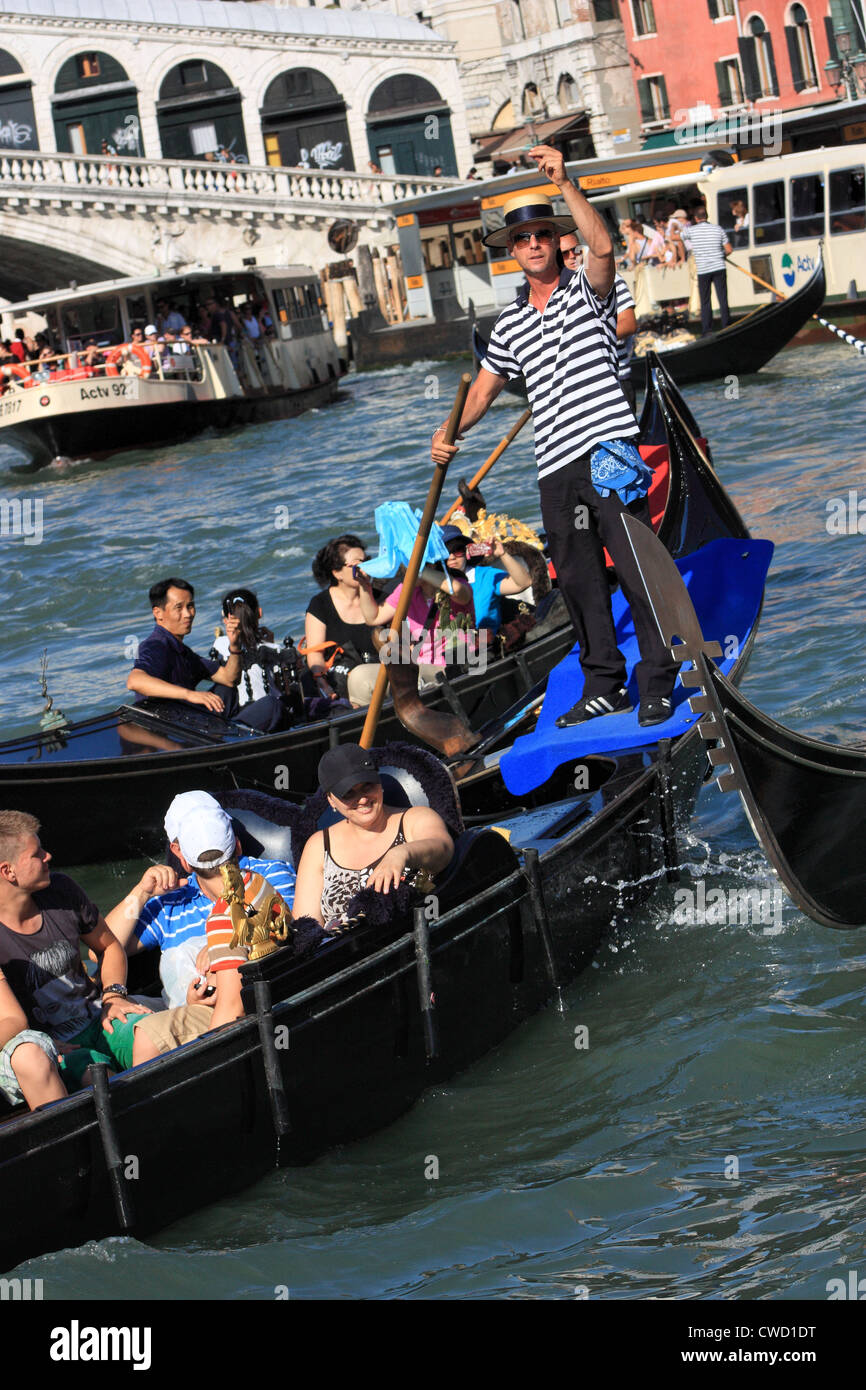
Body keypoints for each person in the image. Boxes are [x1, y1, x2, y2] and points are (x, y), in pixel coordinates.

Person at [431, 143, 678, 728]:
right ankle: (604, 685)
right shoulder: (509, 322)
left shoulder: (589, 290)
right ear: (512, 251)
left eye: (542, 235)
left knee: (637, 567)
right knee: (579, 579)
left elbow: (602, 246)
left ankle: (661, 678)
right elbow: (484, 393)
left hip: (609, 449)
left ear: (551, 239)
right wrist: (444, 435)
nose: (534, 244)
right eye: (523, 239)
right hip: (555, 465)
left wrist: (566, 182)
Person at [106, 794, 296, 1036]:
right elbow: (103, 947)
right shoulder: (169, 902)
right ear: (236, 842)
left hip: (260, 1008)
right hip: (191, 1014)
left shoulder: (269, 875)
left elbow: (293, 927)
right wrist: (141, 893)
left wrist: (218, 945)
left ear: (180, 856)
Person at [0, 810, 151, 1106]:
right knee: (99, 1081)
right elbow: (12, 1020)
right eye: (36, 854)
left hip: (102, 1017)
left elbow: (109, 948)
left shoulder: (62, 890)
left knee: (151, 1040)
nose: (48, 856)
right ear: (8, 871)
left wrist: (114, 996)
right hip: (60, 1047)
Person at [293, 745, 454, 928]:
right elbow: (305, 925)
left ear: (379, 782)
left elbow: (444, 848)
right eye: (348, 793)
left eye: (367, 786)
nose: (362, 799)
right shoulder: (318, 845)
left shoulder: (415, 818)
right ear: (331, 800)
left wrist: (400, 854)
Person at [126, 576, 243, 717]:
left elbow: (229, 679)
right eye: (178, 607)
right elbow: (134, 681)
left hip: (190, 722)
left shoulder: (184, 652)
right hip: (165, 731)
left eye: (190, 606)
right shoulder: (155, 645)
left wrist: (235, 646)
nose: (188, 614)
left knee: (226, 691)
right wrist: (189, 694)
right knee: (270, 707)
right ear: (158, 613)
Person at [357, 554, 474, 688]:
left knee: (412, 675)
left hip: (454, 665)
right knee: (360, 676)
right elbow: (373, 618)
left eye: (408, 566)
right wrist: (364, 586)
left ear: (430, 565)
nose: (404, 572)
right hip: (418, 664)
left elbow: (458, 591)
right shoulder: (407, 590)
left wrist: (418, 569)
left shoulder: (456, 584)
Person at [561, 233, 638, 415]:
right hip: (580, 390)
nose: (572, 256)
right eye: (564, 253)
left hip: (615, 381)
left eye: (576, 250)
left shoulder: (611, 279)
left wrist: (586, 338)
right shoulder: (560, 292)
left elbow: (628, 324)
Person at [305, 535, 381, 706]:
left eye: (366, 562)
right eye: (357, 565)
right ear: (337, 572)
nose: (364, 569)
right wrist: (321, 681)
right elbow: (315, 653)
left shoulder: (379, 597)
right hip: (342, 685)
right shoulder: (320, 605)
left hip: (378, 678)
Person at [210, 588, 290, 732]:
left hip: (238, 716)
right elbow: (283, 688)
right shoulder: (273, 648)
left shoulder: (219, 645)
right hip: (272, 714)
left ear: (226, 620)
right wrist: (270, 644)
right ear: (259, 613)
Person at [439, 524, 530, 634]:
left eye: (457, 550)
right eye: (446, 552)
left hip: (484, 643)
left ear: (466, 551)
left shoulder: (485, 575)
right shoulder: (431, 584)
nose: (452, 557)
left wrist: (502, 554)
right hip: (449, 645)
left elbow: (524, 583)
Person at [682, 206, 733, 336]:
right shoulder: (718, 229)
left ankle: (707, 330)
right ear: (707, 216)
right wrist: (721, 255)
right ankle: (727, 325)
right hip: (719, 267)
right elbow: (729, 249)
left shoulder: (691, 231)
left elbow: (677, 237)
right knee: (723, 298)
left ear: (696, 218)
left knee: (705, 301)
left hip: (703, 270)